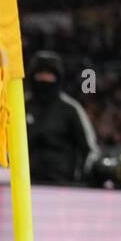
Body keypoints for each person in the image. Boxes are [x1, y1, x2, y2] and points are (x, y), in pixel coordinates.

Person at [25, 51, 99, 185]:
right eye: (40, 73)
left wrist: (81, 179)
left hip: (63, 186)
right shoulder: (20, 107)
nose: (44, 78)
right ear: (32, 76)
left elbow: (90, 149)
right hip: (24, 186)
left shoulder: (71, 109)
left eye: (49, 74)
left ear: (57, 77)